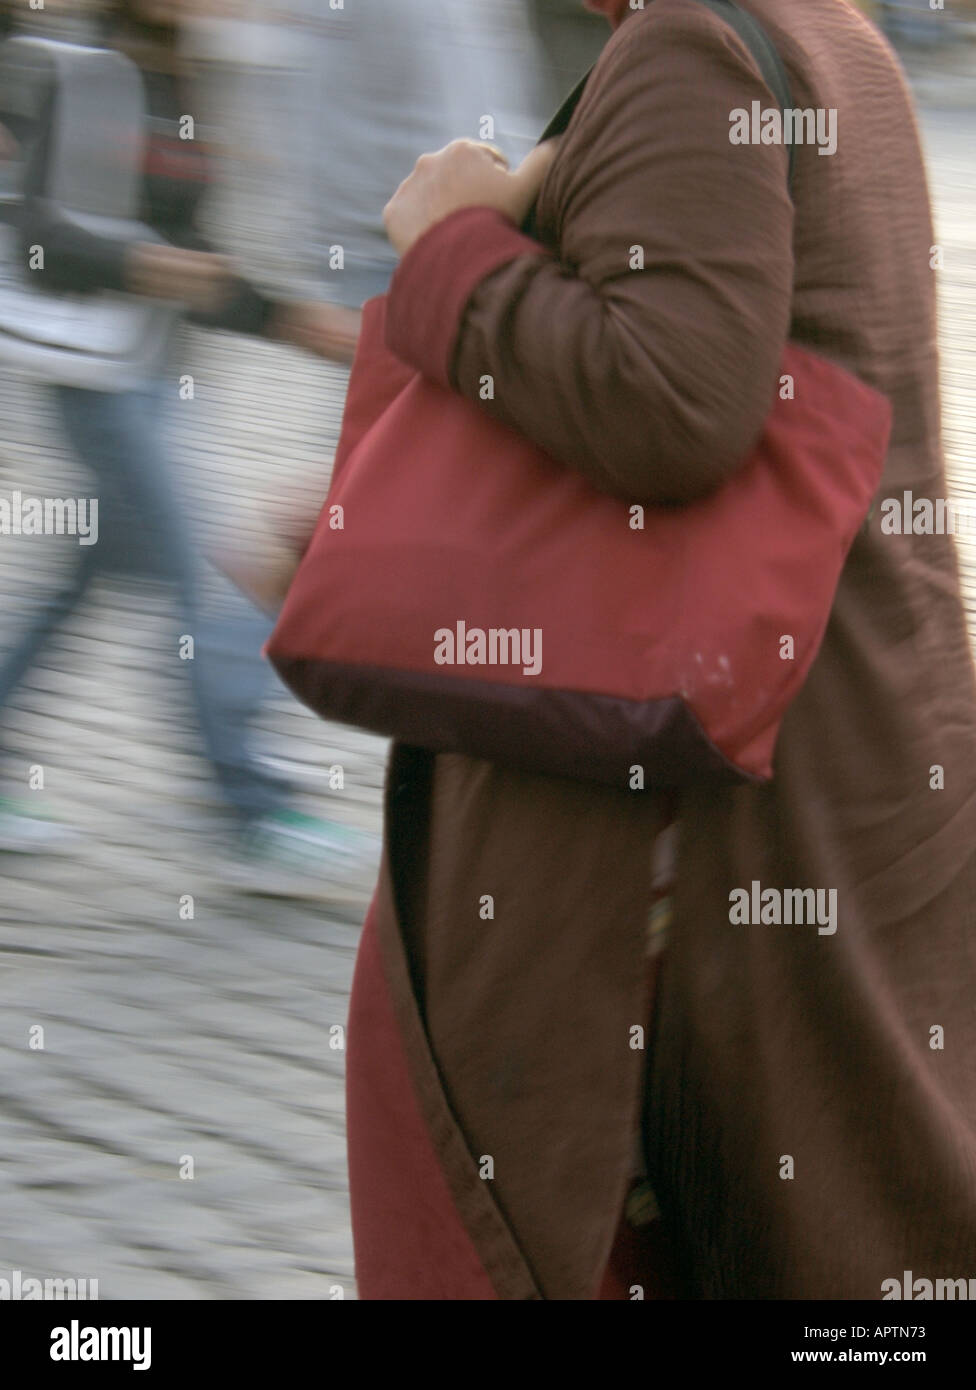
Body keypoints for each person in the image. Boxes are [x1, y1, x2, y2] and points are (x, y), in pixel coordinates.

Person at [343, 0, 976, 1298]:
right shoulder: (830, 34)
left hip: (713, 785)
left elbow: (676, 401)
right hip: (829, 737)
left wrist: (451, 249)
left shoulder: (695, 46)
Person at [0, 0, 368, 892]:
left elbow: (191, 244)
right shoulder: (80, 71)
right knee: (198, 574)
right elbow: (41, 235)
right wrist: (147, 268)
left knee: (88, 574)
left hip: (151, 370)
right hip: (92, 378)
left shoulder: (185, 78)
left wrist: (293, 322)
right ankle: (250, 808)